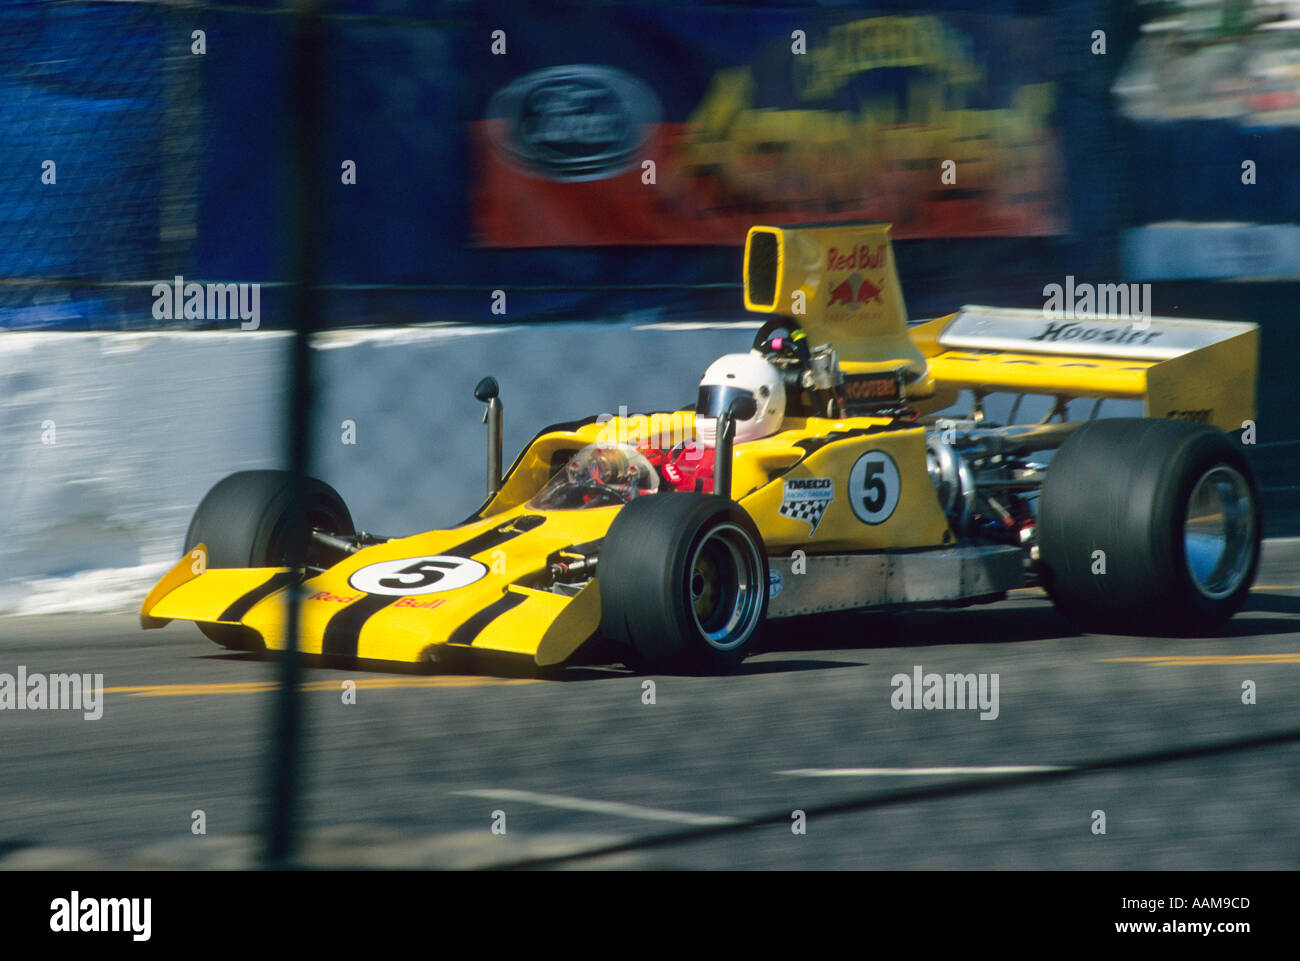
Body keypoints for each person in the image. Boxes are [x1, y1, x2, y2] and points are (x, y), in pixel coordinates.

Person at [641, 351, 786, 494]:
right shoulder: (688, 447)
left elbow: (732, 495)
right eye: (710, 400)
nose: (714, 410)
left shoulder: (750, 458)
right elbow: (664, 469)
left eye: (726, 402)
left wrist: (680, 481)